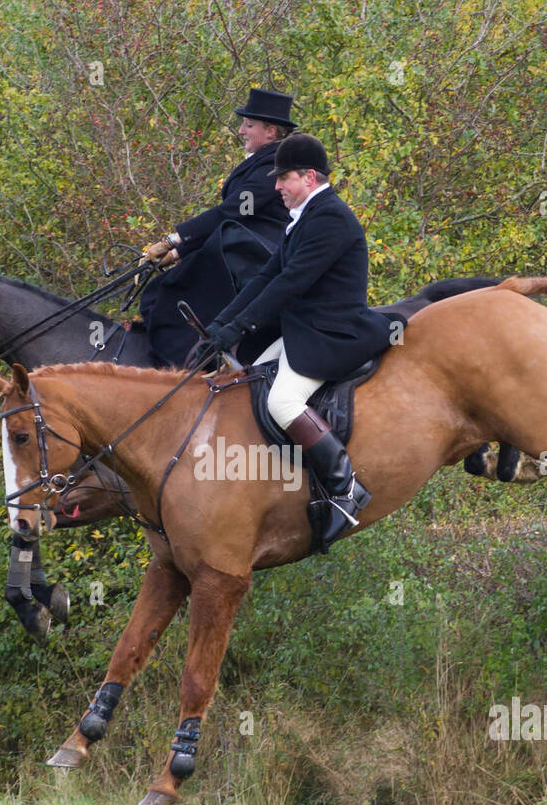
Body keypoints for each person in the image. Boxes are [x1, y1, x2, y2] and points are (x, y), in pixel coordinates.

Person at [205, 133, 396, 548]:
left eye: (283, 179)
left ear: (309, 177)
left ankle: (345, 488)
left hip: (332, 333)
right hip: (304, 330)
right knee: (251, 378)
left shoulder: (329, 218)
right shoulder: (306, 217)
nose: (276, 187)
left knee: (282, 402)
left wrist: (239, 328)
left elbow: (291, 283)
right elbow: (266, 276)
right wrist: (219, 324)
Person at [139, 88, 295, 367]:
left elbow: (233, 211)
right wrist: (178, 253)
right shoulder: (262, 160)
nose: (241, 130)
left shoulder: (275, 164)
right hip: (234, 249)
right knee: (160, 287)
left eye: (248, 125)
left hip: (254, 258)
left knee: (171, 293)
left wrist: (175, 239)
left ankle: (192, 365)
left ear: (271, 131)